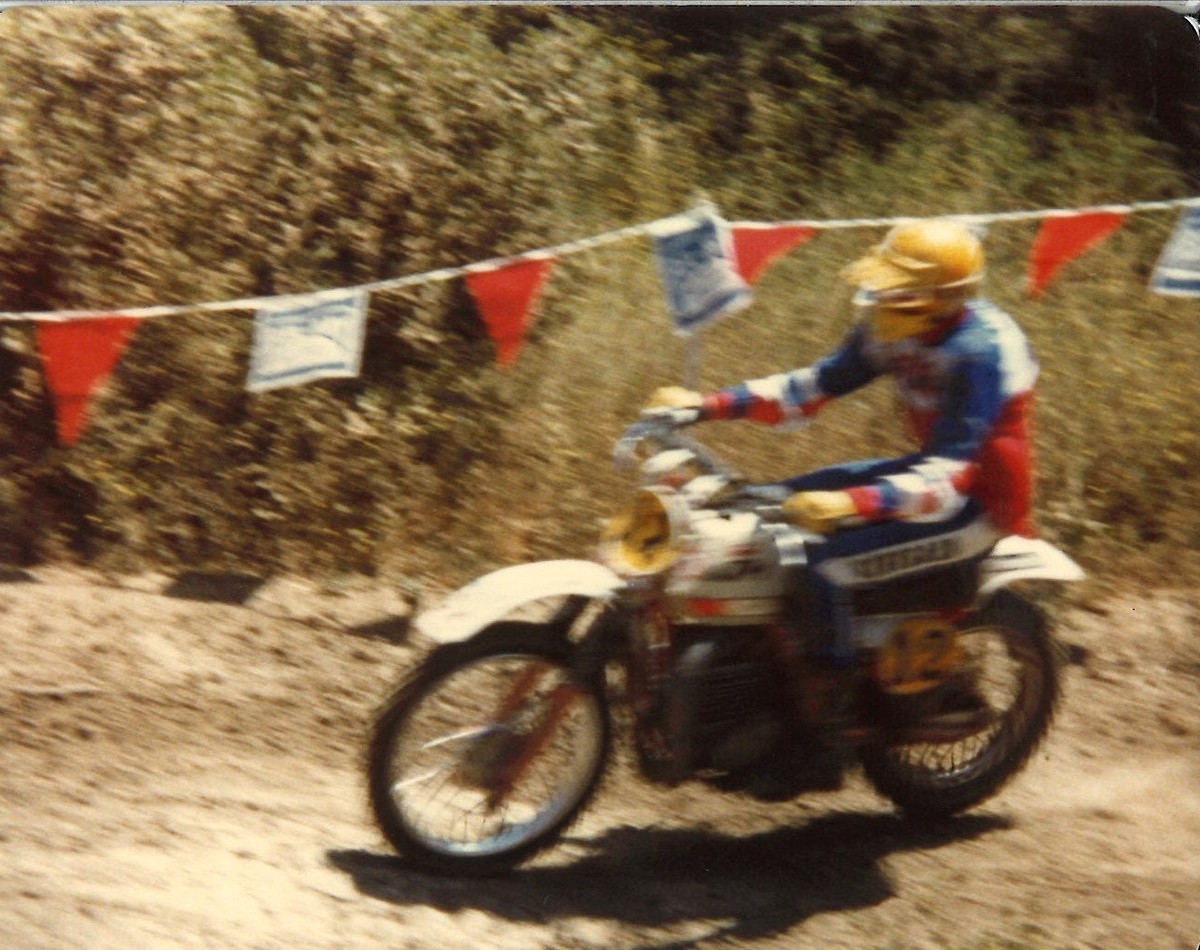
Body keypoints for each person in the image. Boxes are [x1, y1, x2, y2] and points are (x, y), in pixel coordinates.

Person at [649, 218, 1039, 733]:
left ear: (943, 297)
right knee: (768, 505)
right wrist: (706, 406)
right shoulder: (895, 328)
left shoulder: (977, 354)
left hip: (980, 499)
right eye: (884, 282)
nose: (882, 296)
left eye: (899, 288)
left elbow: (950, 474)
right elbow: (809, 388)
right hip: (931, 476)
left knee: (822, 561)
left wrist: (853, 504)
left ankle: (827, 707)